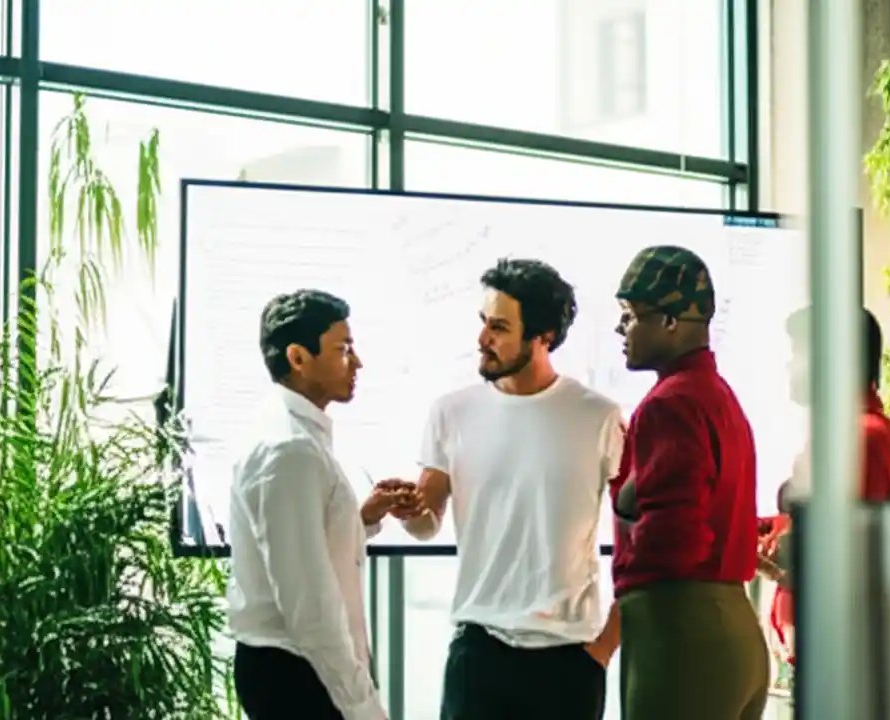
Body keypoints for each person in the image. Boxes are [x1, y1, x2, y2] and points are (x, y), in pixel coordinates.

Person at [398, 258, 625, 720]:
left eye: (499, 327)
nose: (482, 338)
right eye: (484, 322)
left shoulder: (598, 417)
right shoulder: (451, 412)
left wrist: (604, 648)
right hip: (479, 653)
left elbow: (638, 540)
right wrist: (408, 511)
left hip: (569, 660)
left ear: (543, 337)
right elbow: (425, 524)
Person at [227, 289, 414, 720]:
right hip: (298, 672)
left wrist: (361, 518)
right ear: (298, 357)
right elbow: (309, 605)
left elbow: (300, 545)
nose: (357, 362)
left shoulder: (294, 434)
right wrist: (363, 706)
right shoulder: (290, 450)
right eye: (343, 349)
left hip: (295, 667)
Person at [610, 245, 769, 720]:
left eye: (630, 316)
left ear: (670, 322)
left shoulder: (669, 404)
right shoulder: (719, 397)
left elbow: (673, 540)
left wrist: (625, 509)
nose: (620, 329)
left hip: (681, 633)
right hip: (736, 628)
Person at [758, 306, 890, 663]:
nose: (789, 365)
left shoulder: (859, 440)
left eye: (798, 353)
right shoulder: (850, 435)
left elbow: (843, 562)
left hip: (842, 664)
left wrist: (786, 553)